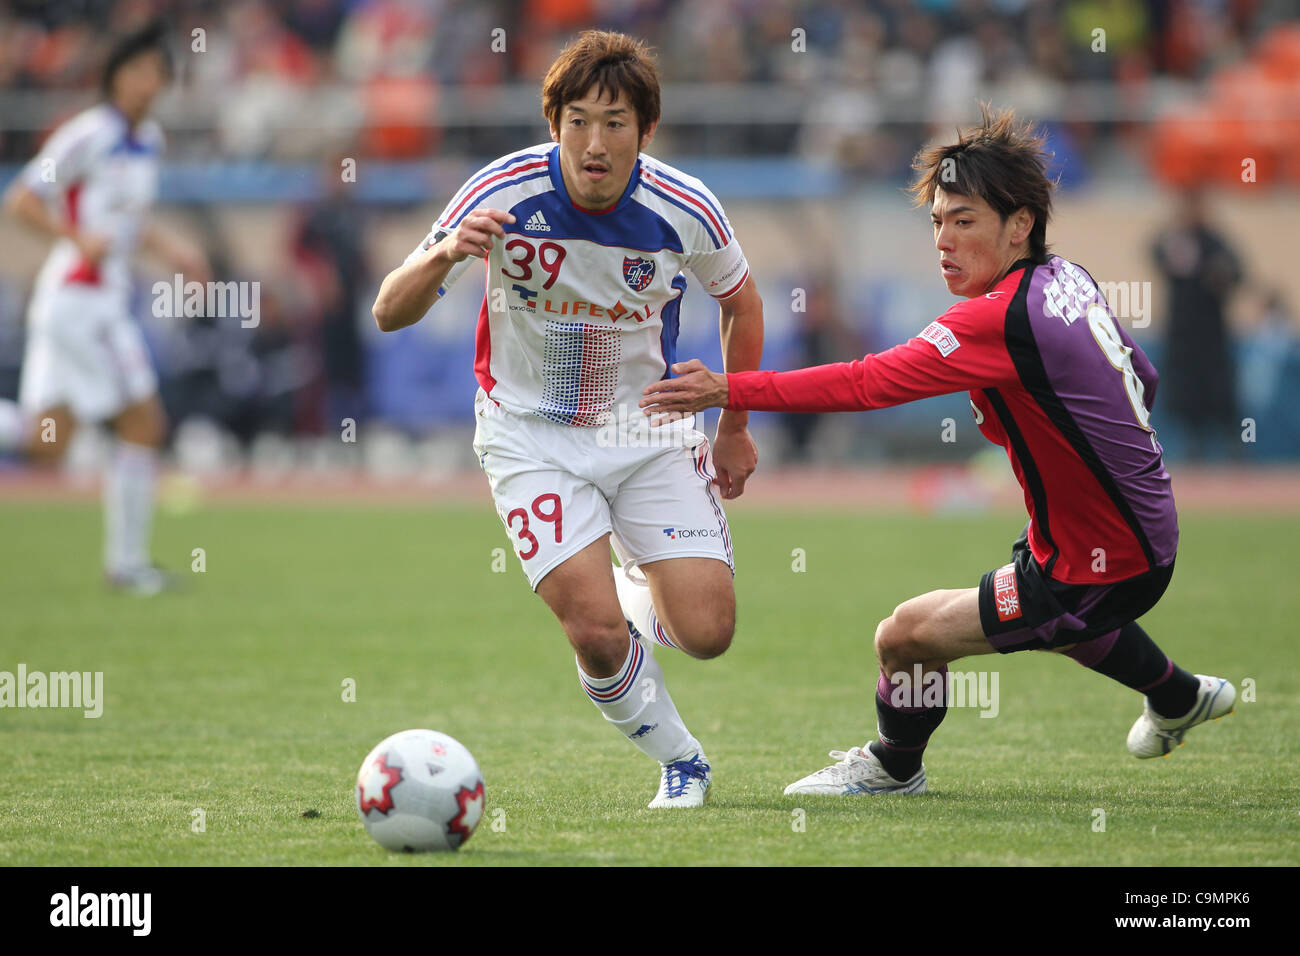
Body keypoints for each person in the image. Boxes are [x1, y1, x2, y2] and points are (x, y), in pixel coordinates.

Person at [640, 107, 1233, 795]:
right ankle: (1179, 695)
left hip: (1104, 559)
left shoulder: (1000, 317)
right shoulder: (1066, 277)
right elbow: (1143, 376)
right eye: (938, 221)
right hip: (1127, 535)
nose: (945, 241)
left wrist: (729, 388)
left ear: (1020, 225)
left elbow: (868, 384)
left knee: (904, 636)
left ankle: (893, 767)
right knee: (1065, 620)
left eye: (965, 220)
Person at [372, 31, 764, 808]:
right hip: (530, 436)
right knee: (592, 631)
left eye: (615, 123)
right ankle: (682, 761)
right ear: (553, 123)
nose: (595, 142)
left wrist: (734, 424)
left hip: (645, 432)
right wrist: (447, 253)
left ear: (645, 133)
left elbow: (742, 303)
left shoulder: (684, 207)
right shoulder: (500, 189)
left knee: (709, 632)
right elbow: (389, 310)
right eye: (578, 120)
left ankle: (619, 581)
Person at [0, 20, 210, 595]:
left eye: (158, 73)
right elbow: (22, 197)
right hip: (81, 300)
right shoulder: (87, 134)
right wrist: (73, 235)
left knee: (47, 444)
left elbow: (128, 218)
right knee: (144, 423)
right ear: (115, 77)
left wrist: (173, 250)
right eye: (139, 70)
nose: (149, 82)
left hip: (86, 302)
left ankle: (127, 564)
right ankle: (128, 566)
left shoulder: (150, 141)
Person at [1150, 187, 1243, 460]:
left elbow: (1236, 273)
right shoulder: (1173, 240)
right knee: (1185, 396)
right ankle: (1193, 449)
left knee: (1220, 393)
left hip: (1212, 335)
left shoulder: (1217, 242)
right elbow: (1154, 253)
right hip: (1182, 334)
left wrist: (1219, 274)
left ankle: (1234, 449)